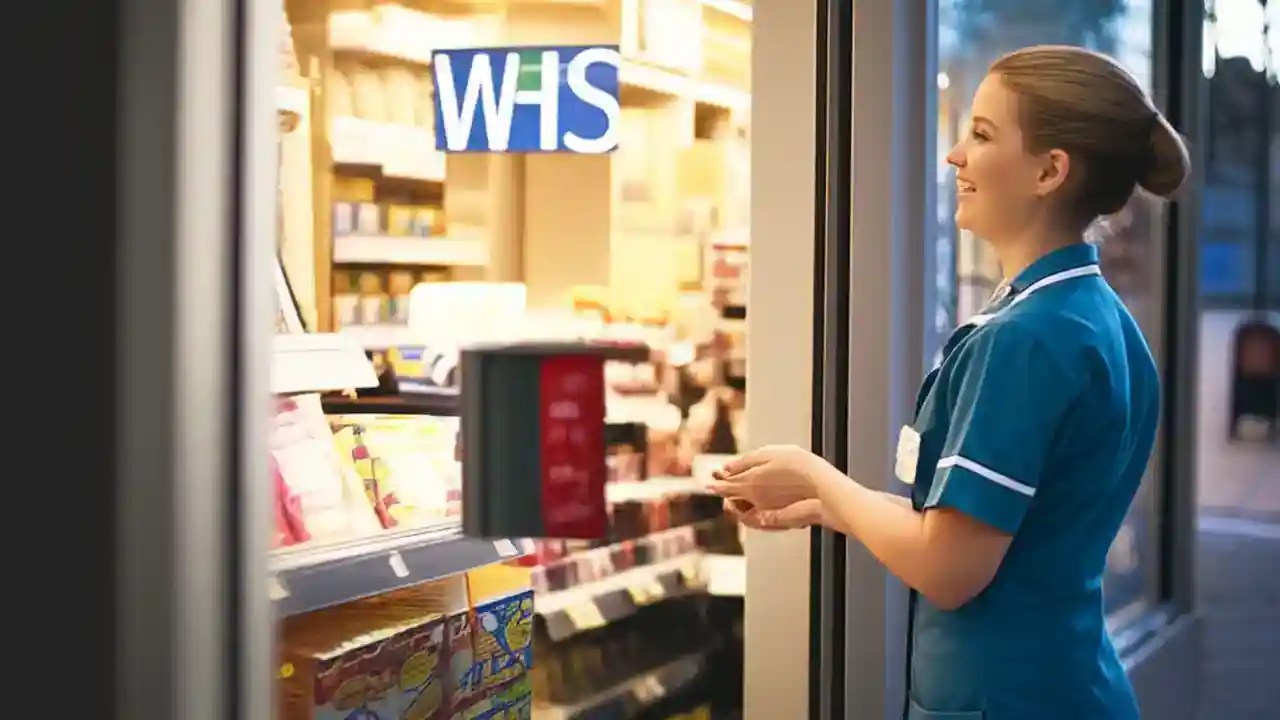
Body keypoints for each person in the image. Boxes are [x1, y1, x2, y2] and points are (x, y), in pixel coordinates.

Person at [708, 45, 1190, 720]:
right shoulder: (1097, 321)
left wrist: (818, 475)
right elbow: (995, 531)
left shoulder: (1023, 341)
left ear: (1050, 171)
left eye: (983, 135)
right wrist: (824, 507)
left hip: (1006, 700)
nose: (955, 155)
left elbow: (950, 570)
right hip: (1070, 683)